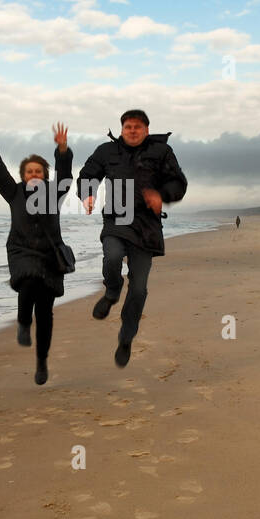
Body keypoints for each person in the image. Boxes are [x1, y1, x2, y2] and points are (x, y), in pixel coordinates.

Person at [76, 109, 187, 367]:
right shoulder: (106, 151)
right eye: (128, 126)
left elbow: (178, 182)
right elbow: (87, 175)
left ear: (147, 130)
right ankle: (112, 291)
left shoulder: (161, 153)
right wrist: (87, 194)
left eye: (138, 127)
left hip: (147, 226)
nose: (133, 130)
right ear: (122, 129)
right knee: (112, 256)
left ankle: (127, 336)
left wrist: (162, 195)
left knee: (138, 288)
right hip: (116, 220)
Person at [0, 121, 73, 385]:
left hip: (51, 255)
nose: (33, 175)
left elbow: (65, 176)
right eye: (29, 172)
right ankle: (22, 322)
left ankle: (42, 362)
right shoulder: (14, 191)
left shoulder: (55, 192)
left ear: (45, 175)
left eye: (38, 172)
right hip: (21, 250)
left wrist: (62, 150)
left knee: (45, 312)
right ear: (23, 175)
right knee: (28, 281)